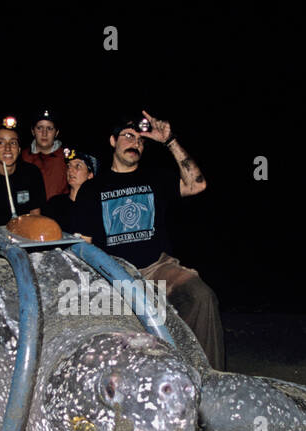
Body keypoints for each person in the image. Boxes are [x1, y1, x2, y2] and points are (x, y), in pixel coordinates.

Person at [70, 111, 225, 369]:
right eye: (128, 136)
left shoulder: (155, 178)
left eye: (141, 141)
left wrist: (170, 140)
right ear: (112, 141)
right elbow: (83, 245)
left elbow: (197, 184)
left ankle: (210, 379)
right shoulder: (92, 188)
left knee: (201, 296)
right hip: (114, 274)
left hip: (157, 269)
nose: (136, 144)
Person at [0, 116, 45, 222]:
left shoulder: (32, 173)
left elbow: (35, 215)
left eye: (13, 142)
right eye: (1, 142)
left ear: (19, 150)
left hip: (23, 234)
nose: (7, 148)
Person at [42, 147, 98, 234]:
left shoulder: (96, 206)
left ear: (90, 175)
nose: (70, 170)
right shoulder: (54, 204)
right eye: (69, 166)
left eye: (78, 166)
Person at [21, 107, 67, 201]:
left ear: (56, 132)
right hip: (28, 213)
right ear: (33, 131)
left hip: (58, 212)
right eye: (39, 128)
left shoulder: (67, 157)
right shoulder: (21, 157)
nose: (44, 133)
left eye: (49, 128)